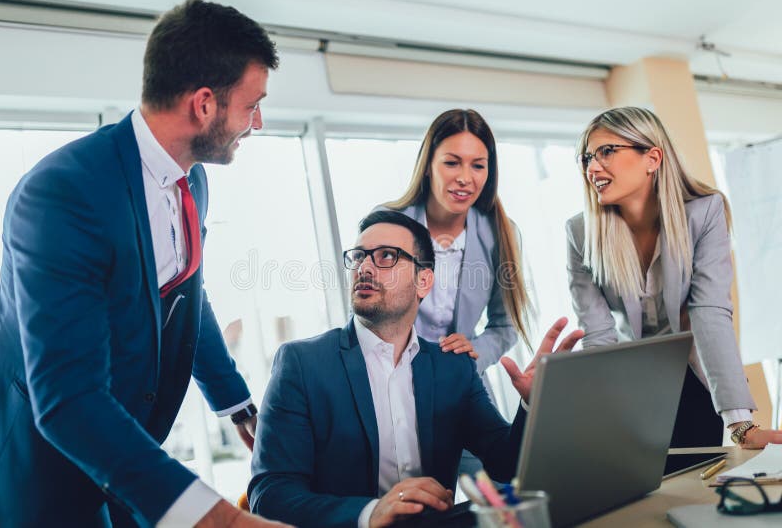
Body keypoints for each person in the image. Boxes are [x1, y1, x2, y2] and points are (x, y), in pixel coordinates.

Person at [0, 0, 289, 527]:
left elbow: (187, 292)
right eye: (252, 104)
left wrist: (235, 402)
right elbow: (67, 400)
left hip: (128, 458)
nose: (257, 122)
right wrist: (221, 519)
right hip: (39, 474)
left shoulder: (192, 179)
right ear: (203, 104)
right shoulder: (61, 193)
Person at [248, 210, 582, 528]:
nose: (365, 267)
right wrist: (369, 514)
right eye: (359, 256)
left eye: (386, 256)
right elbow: (269, 495)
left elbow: (507, 463)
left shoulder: (453, 367)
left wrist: (532, 405)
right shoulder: (302, 364)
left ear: (423, 281)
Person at [566, 106, 782, 449]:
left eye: (607, 151)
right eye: (586, 157)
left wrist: (741, 425)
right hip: (629, 389)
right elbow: (599, 335)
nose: (592, 167)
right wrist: (600, 414)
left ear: (652, 158)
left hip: (695, 379)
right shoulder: (580, 232)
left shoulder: (705, 212)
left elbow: (709, 313)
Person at [381, 109, 530, 476]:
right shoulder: (387, 223)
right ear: (428, 164)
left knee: (506, 486)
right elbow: (367, 317)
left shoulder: (500, 232)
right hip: (393, 389)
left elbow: (505, 325)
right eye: (452, 162)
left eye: (478, 166)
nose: (465, 178)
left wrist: (472, 355)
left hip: (461, 386)